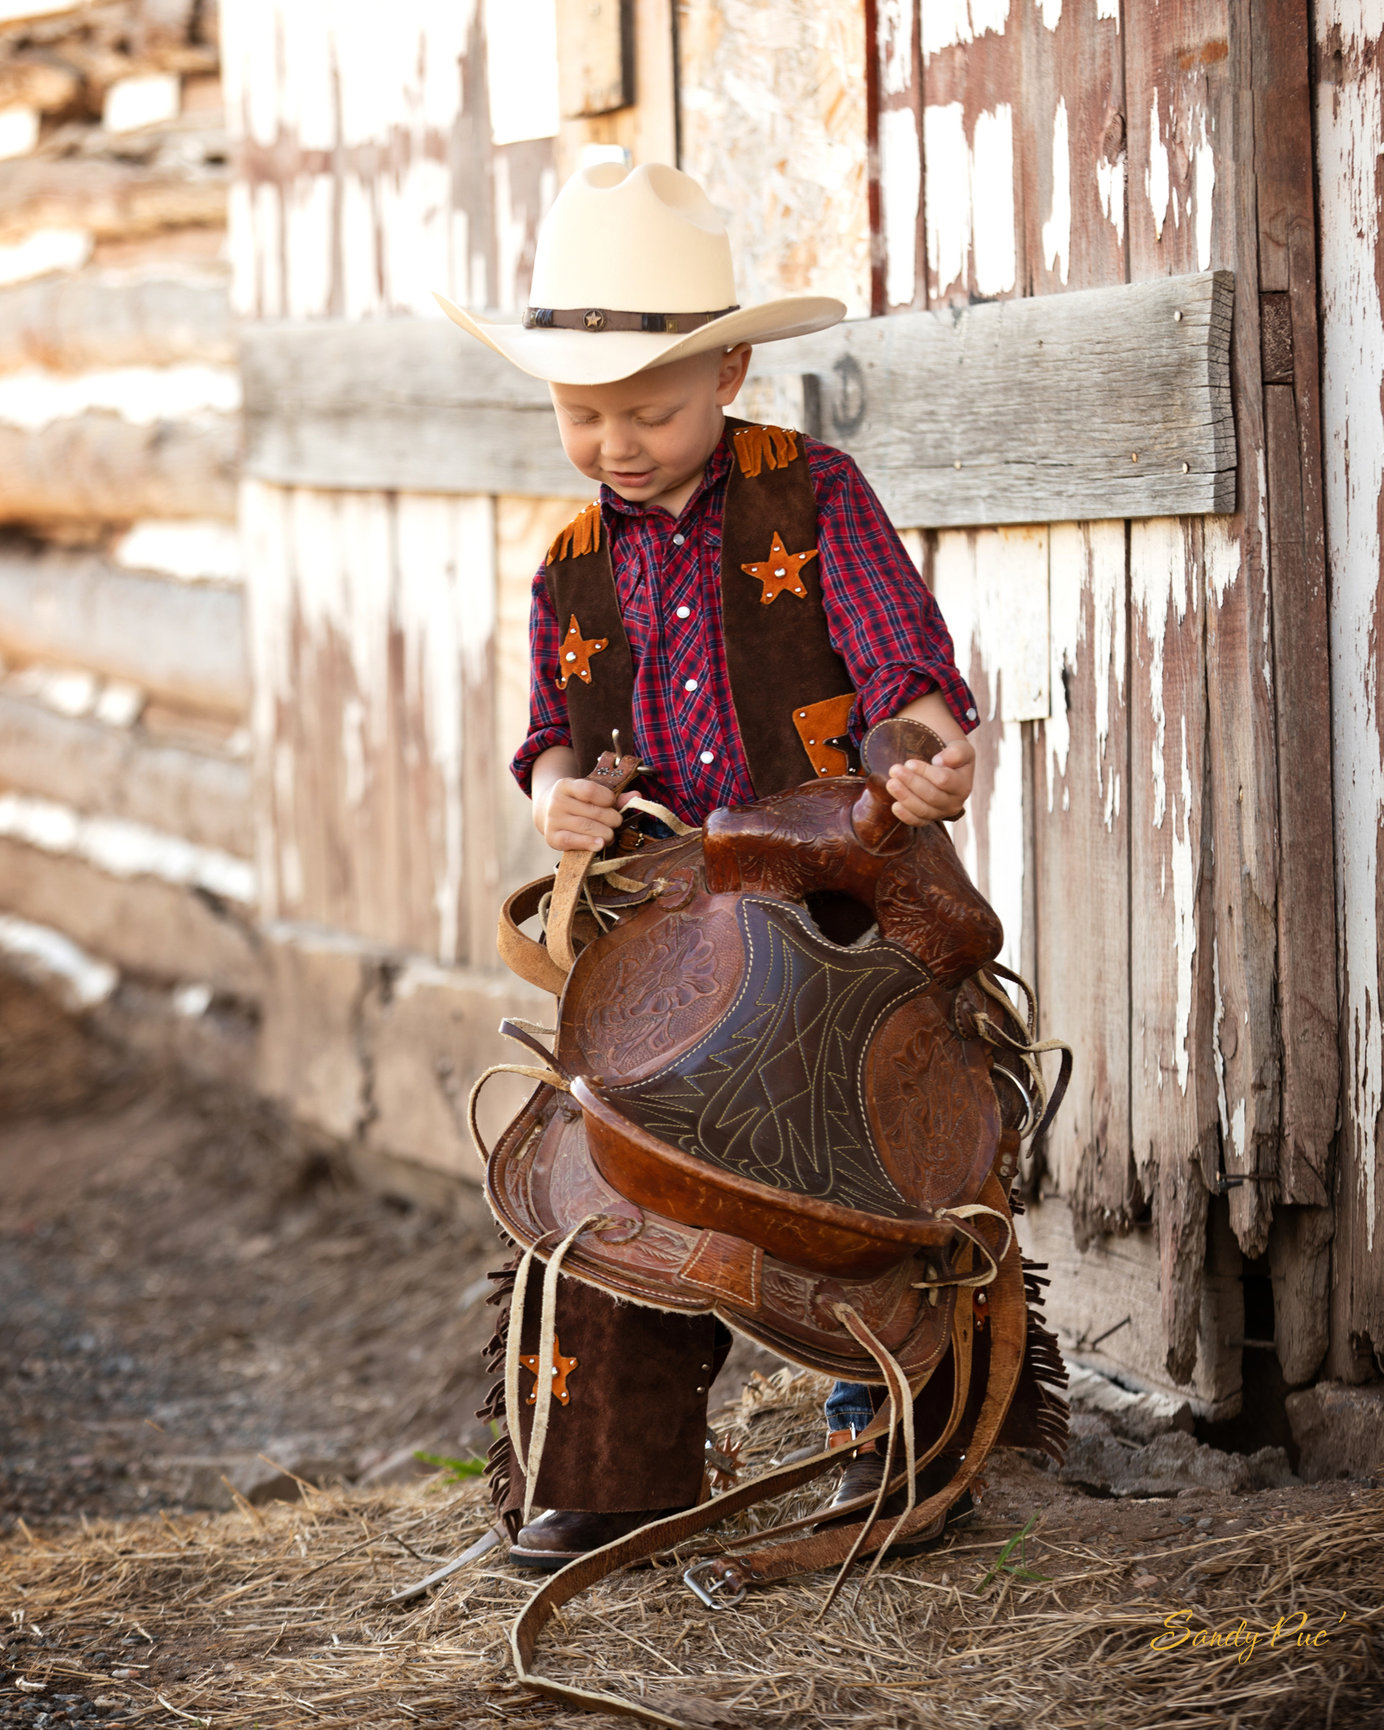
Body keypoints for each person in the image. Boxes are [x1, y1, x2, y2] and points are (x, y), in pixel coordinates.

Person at [436, 160, 979, 1569]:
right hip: (662, 928)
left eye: (652, 407)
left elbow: (900, 670)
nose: (616, 439)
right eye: (583, 410)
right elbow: (552, 738)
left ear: (731, 367)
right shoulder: (569, 560)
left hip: (831, 903)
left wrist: (916, 751)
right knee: (613, 1158)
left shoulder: (813, 494)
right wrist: (560, 795)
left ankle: (901, 1437)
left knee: (861, 1156)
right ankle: (608, 1469)